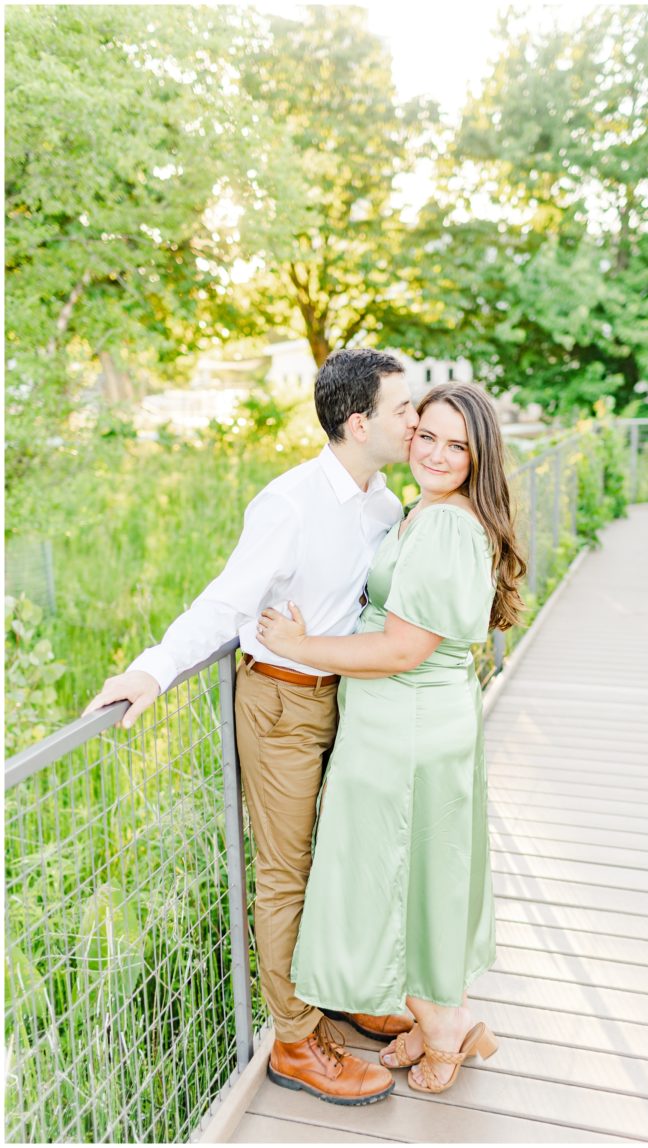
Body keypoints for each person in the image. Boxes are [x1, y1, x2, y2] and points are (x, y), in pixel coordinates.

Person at [84, 348, 423, 1107]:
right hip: (280, 705)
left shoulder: (383, 503)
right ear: (358, 422)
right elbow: (224, 603)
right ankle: (297, 1042)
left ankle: (344, 989)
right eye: (403, 408)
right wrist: (153, 669)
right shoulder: (289, 504)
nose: (416, 419)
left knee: (348, 856)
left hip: (349, 699)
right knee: (286, 875)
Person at [257, 382, 526, 1094]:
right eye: (426, 435)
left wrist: (301, 647)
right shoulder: (431, 510)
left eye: (456, 445)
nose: (435, 453)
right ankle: (443, 1015)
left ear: (479, 456)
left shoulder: (443, 526)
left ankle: (445, 1029)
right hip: (414, 721)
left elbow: (405, 648)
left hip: (405, 728)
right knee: (421, 875)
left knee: (394, 878)